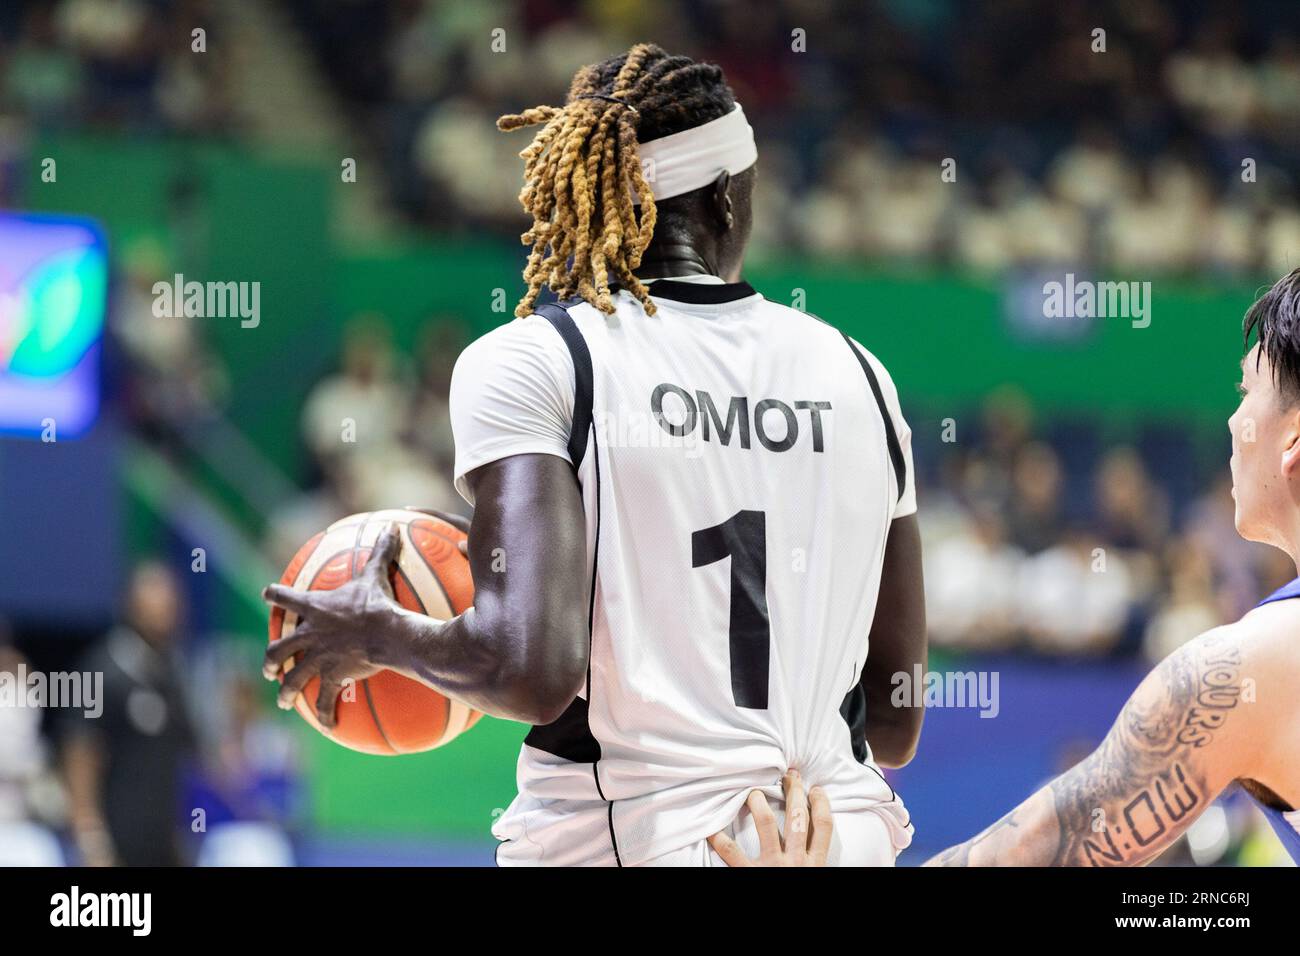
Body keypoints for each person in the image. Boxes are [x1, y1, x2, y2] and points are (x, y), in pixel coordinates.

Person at [263, 43, 925, 867]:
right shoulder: (862, 376)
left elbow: (531, 671)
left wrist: (381, 633)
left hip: (647, 841)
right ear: (727, 198)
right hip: (837, 835)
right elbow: (895, 722)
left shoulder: (543, 359)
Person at [928, 270, 1300, 866]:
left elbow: (1028, 852)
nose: (1234, 421)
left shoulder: (1245, 668)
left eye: (1244, 391)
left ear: (1292, 439)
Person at [61, 562, 197, 866]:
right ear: (130, 604)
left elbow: (185, 757)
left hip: (163, 845)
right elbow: (79, 751)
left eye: (172, 596)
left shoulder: (172, 673)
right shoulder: (100, 668)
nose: (168, 605)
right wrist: (90, 838)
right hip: (116, 845)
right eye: (156, 594)